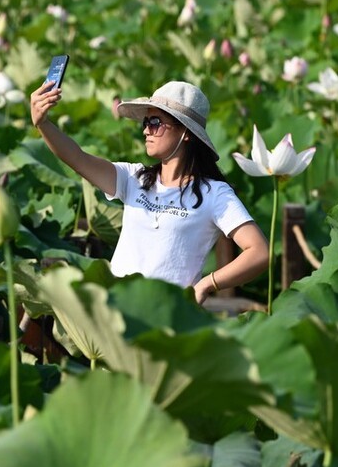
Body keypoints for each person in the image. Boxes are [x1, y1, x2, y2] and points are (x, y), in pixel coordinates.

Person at [30, 79, 268, 304]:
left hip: (167, 318)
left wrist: (207, 284)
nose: (146, 131)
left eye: (155, 123)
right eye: (146, 123)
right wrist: (44, 124)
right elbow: (77, 159)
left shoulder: (214, 193)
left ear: (185, 132)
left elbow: (259, 252)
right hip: (115, 307)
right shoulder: (133, 178)